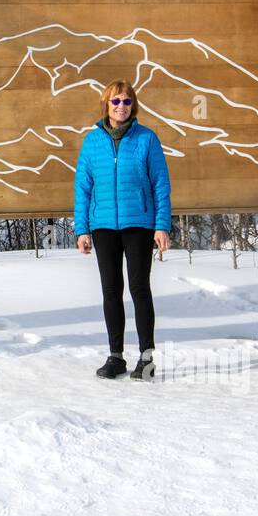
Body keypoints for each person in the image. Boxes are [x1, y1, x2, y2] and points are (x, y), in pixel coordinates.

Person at [73, 80, 172, 380]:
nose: (121, 107)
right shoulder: (92, 142)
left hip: (139, 224)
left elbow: (160, 184)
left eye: (126, 101)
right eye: (115, 101)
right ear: (106, 105)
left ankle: (146, 359)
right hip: (103, 226)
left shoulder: (147, 139)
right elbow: (83, 187)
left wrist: (162, 225)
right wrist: (82, 229)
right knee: (111, 291)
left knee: (140, 289)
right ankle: (116, 357)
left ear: (133, 106)